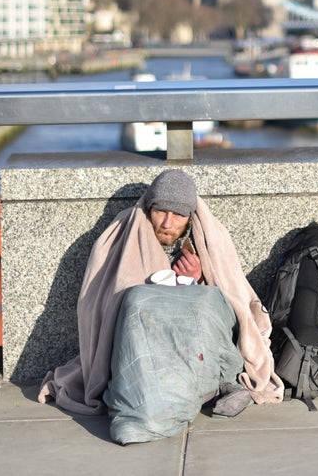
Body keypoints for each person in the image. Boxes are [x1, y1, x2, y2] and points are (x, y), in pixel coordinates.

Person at [38, 169, 284, 436]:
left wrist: (196, 281)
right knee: (137, 303)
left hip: (197, 338)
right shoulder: (122, 233)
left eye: (178, 215)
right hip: (146, 336)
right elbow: (103, 302)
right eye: (160, 212)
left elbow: (232, 297)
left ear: (189, 216)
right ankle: (188, 390)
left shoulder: (211, 237)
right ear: (149, 208)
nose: (167, 223)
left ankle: (222, 382)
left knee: (207, 301)